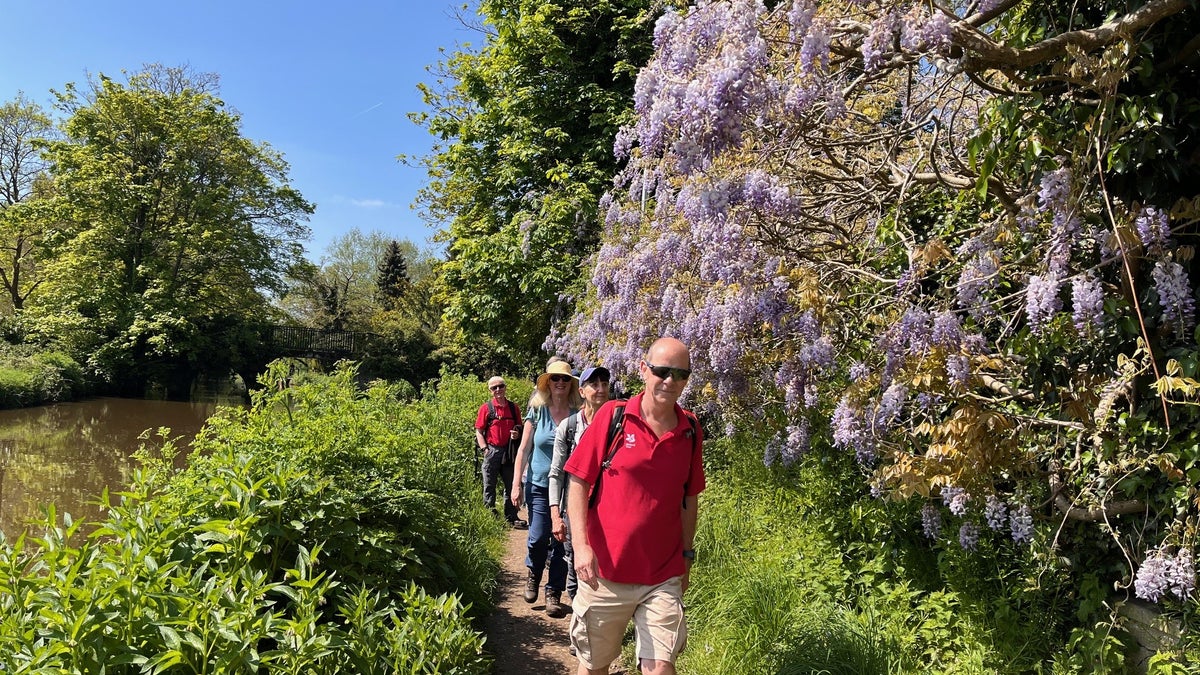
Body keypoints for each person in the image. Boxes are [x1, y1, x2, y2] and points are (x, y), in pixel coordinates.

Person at [564, 338, 705, 675]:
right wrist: (582, 547)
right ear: (644, 370)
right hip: (605, 573)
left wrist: (686, 558)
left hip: (662, 574)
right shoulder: (614, 418)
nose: (670, 381)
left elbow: (689, 500)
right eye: (661, 371)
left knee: (660, 667)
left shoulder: (691, 430)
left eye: (680, 374)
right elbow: (578, 483)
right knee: (595, 665)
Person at [511, 359, 582, 617]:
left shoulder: (578, 414)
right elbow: (524, 449)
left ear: (571, 384)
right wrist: (516, 483)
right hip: (539, 484)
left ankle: (554, 591)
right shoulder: (537, 410)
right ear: (548, 383)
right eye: (555, 379)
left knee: (563, 542)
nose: (560, 383)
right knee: (539, 536)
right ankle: (534, 572)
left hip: (569, 489)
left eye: (564, 379)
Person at [548, 364, 612, 613]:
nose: (600, 389)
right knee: (577, 565)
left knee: (605, 568)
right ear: (582, 392)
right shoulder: (570, 427)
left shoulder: (618, 423)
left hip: (608, 511)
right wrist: (556, 515)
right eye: (594, 385)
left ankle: (602, 623)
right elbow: (556, 474)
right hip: (577, 510)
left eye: (605, 384)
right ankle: (580, 630)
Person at [474, 376, 526, 529]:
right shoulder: (486, 408)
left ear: (505, 387)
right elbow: (479, 430)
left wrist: (517, 434)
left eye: (500, 386)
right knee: (489, 484)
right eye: (494, 388)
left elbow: (520, 427)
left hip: (509, 451)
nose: (498, 390)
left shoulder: (513, 407)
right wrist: (484, 449)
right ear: (490, 391)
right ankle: (490, 515)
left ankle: (511, 517)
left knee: (511, 484)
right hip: (492, 450)